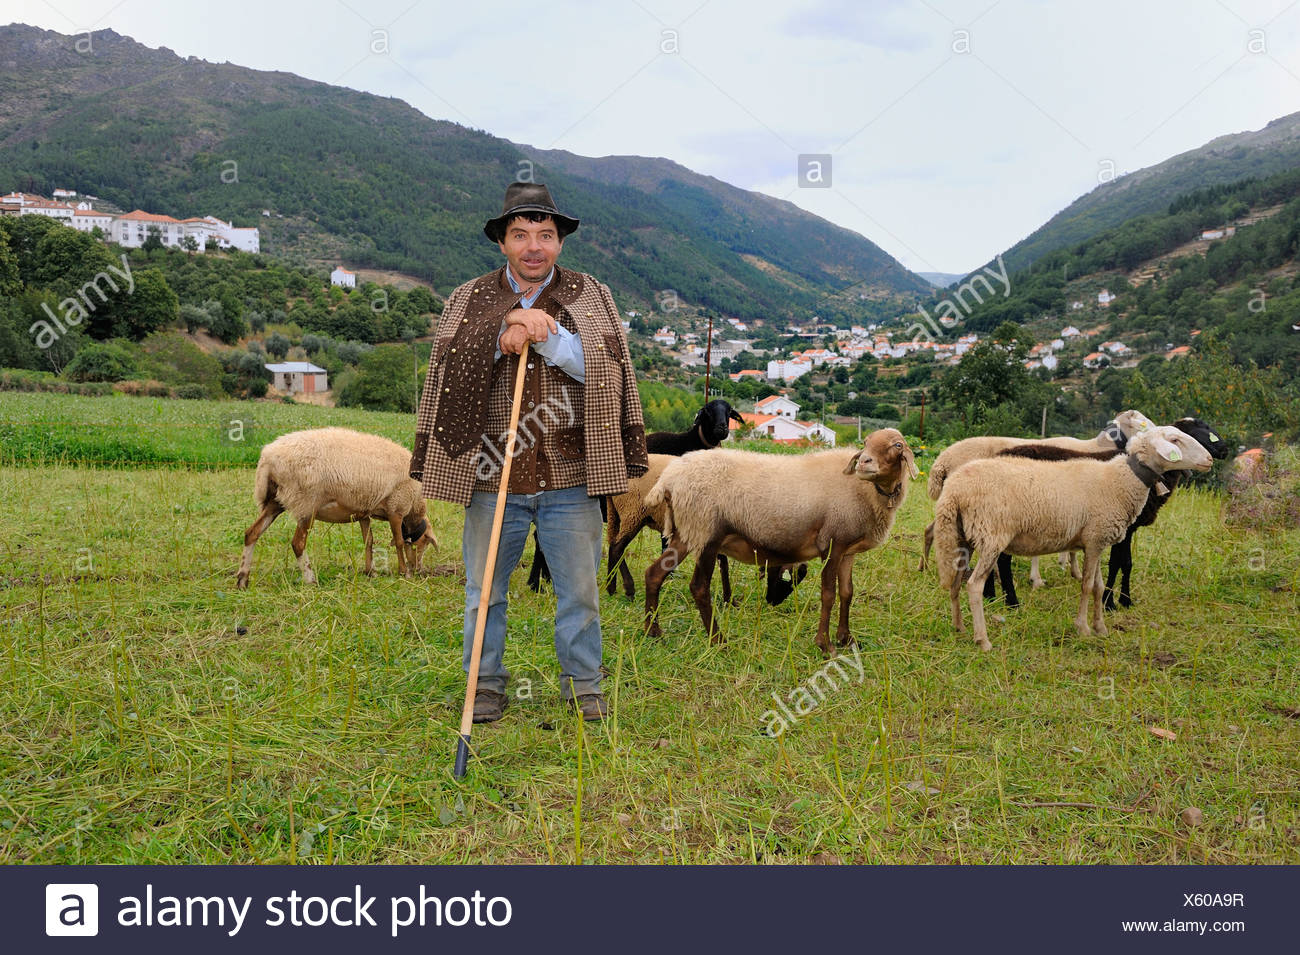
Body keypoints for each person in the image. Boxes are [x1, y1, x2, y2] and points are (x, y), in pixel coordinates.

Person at [411, 182, 647, 722]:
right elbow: (447, 372)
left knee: (581, 595)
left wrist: (550, 336)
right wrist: (501, 334)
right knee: (484, 593)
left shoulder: (592, 296)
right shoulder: (469, 298)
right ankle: (485, 684)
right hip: (494, 477)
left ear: (560, 241)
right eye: (521, 235)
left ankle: (583, 685)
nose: (533, 246)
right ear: (503, 243)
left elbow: (607, 374)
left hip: (570, 477)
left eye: (545, 235)